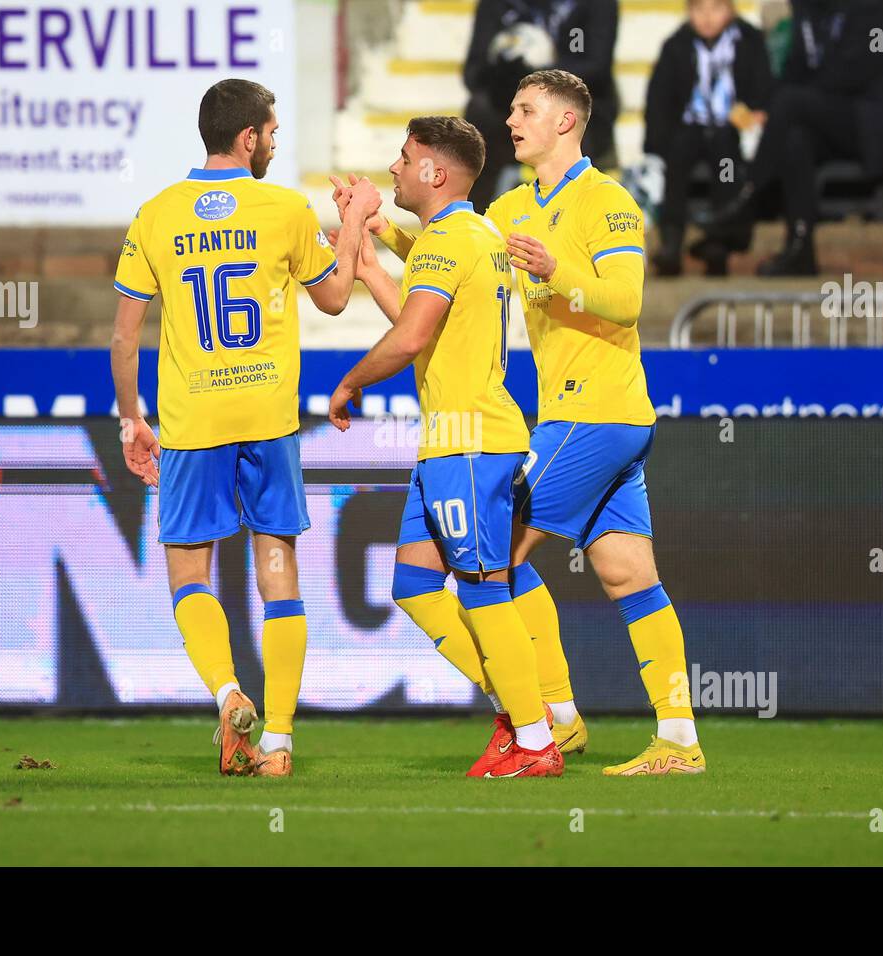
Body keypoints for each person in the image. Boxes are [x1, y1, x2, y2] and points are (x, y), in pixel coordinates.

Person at [347, 70, 706, 776]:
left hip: (590, 411)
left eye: (527, 109)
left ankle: (550, 719)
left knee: (494, 560)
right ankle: (678, 737)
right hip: (601, 420)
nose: (513, 119)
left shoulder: (608, 201)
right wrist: (378, 226)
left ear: (567, 123)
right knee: (629, 576)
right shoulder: (509, 205)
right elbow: (439, 266)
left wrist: (558, 270)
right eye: (513, 107)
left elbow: (628, 301)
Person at [110, 78, 381, 778]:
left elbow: (122, 338)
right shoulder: (286, 210)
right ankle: (281, 744)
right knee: (279, 573)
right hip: (267, 417)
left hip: (194, 420)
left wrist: (134, 421)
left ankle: (230, 692)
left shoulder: (156, 214)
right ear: (248, 137)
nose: (276, 141)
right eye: (273, 130)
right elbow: (331, 298)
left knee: (188, 573)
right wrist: (350, 222)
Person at [328, 117, 562, 778]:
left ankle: (537, 739)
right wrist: (373, 257)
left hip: (469, 443)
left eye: (405, 159)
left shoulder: (444, 241)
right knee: (416, 584)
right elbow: (421, 323)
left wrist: (346, 383)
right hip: (455, 445)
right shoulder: (477, 234)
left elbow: (407, 340)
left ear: (434, 171)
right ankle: (519, 711)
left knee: (484, 590)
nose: (396, 169)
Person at [709, 0, 883, 275]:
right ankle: (800, 248)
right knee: (794, 137)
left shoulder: (874, 10)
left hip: (874, 120)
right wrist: (769, 109)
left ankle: (749, 197)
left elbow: (858, 71)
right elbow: (795, 70)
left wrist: (789, 103)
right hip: (824, 113)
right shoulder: (808, 10)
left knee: (791, 105)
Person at [644, 0, 772, 276]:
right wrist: (656, 144)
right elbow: (659, 99)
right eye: (699, 9)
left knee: (725, 159)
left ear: (730, 10)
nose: (707, 17)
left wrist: (757, 114)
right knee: (677, 155)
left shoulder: (749, 42)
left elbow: (764, 89)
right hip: (690, 127)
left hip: (732, 130)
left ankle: (719, 241)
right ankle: (672, 242)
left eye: (716, 8)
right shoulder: (676, 45)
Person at [463, 0, 620, 209]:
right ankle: (473, 221)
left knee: (574, 117)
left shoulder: (595, 5)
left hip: (570, 101)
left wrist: (538, 75)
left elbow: (597, 68)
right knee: (476, 121)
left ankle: (574, 217)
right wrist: (505, 72)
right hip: (504, 103)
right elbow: (473, 73)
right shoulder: (497, 5)